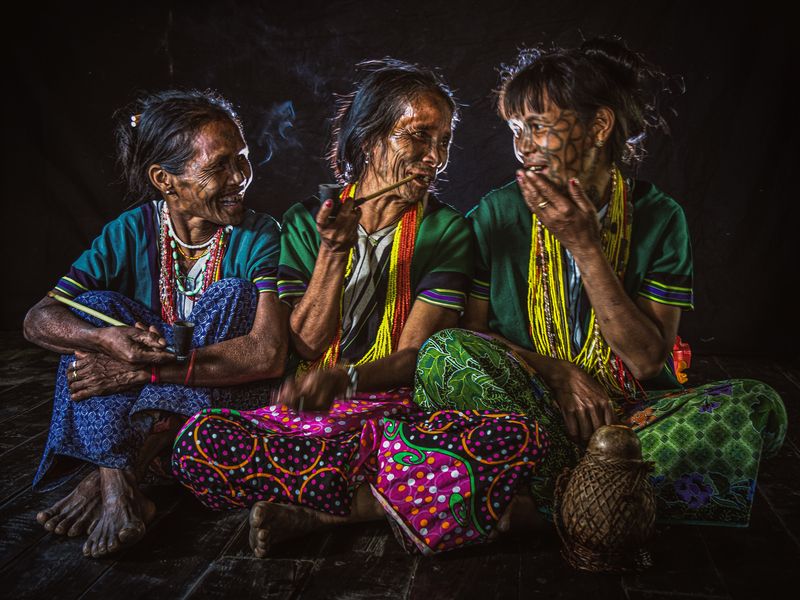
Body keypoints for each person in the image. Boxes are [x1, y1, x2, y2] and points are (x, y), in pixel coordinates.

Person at [173, 60, 550, 556]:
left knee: (512, 436)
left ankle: (336, 508)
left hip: (400, 419)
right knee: (198, 443)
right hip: (313, 420)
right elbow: (306, 343)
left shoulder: (446, 231)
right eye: (418, 137)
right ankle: (397, 496)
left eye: (443, 142)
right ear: (371, 140)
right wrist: (333, 251)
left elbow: (417, 355)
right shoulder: (308, 224)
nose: (434, 157)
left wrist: (347, 380)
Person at [415, 37, 787, 526]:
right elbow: (475, 334)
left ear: (598, 126)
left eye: (538, 126)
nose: (522, 146)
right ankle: (606, 495)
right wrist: (557, 373)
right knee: (443, 353)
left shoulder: (660, 217)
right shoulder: (496, 213)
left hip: (629, 415)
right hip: (530, 405)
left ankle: (539, 495)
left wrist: (586, 247)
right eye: (514, 129)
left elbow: (648, 359)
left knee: (761, 408)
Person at [23, 90, 288, 557]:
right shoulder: (128, 232)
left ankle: (110, 478)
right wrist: (102, 337)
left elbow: (267, 354)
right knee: (95, 307)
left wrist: (142, 371)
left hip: (229, 398)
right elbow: (38, 319)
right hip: (170, 398)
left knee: (233, 296)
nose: (240, 179)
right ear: (165, 180)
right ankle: (124, 479)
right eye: (219, 167)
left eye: (242, 160)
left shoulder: (259, 234)